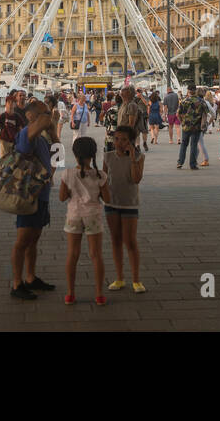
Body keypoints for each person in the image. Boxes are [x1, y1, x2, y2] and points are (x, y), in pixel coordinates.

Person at [10, 100, 58, 300]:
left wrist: (54, 132)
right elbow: (41, 124)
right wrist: (48, 119)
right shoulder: (26, 135)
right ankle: (17, 283)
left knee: (34, 238)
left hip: (43, 194)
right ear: (30, 116)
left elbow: (58, 155)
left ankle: (30, 277)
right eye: (43, 113)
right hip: (29, 195)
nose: (48, 116)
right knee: (22, 240)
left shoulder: (42, 139)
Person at [59, 136, 111, 306]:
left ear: (74, 154)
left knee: (72, 255)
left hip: (74, 216)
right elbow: (108, 199)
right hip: (93, 216)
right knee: (96, 255)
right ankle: (99, 294)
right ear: (93, 154)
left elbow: (61, 197)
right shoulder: (100, 175)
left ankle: (70, 293)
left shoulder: (67, 174)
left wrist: (71, 190)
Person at [103, 126, 144, 293]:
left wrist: (133, 158)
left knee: (130, 241)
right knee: (115, 240)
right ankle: (119, 278)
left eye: (124, 140)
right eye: (117, 139)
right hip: (111, 203)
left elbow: (136, 179)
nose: (119, 143)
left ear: (131, 141)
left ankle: (136, 280)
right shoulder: (107, 156)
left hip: (129, 203)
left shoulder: (139, 157)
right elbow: (104, 180)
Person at [176, 84, 206, 170]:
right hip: (196, 127)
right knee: (193, 145)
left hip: (186, 126)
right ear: (195, 91)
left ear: (188, 91)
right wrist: (203, 124)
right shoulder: (201, 101)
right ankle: (192, 164)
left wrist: (182, 122)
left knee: (184, 144)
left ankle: (180, 162)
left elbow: (178, 113)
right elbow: (205, 113)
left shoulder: (183, 101)